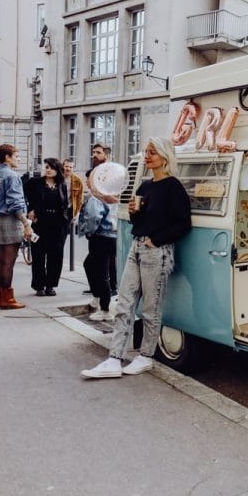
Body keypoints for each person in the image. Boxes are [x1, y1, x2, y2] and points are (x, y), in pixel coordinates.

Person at [82, 137, 192, 378]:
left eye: (152, 152)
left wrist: (157, 240)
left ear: (165, 156)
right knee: (124, 303)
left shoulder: (173, 186)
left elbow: (183, 223)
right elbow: (140, 222)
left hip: (157, 251)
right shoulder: (145, 186)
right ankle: (114, 358)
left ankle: (145, 356)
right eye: (146, 152)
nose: (147, 156)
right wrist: (134, 213)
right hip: (137, 247)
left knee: (151, 308)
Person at [0, 143, 33, 309]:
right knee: (8, 261)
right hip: (10, 219)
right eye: (16, 156)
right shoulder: (12, 175)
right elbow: (15, 203)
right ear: (7, 157)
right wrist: (26, 224)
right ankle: (7, 298)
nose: (18, 159)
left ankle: (1, 296)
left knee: (1, 261)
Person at [26, 158, 70, 296]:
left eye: (51, 167)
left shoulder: (61, 185)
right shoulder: (35, 183)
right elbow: (23, 197)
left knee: (56, 256)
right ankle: (39, 286)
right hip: (40, 222)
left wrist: (68, 218)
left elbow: (65, 204)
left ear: (58, 170)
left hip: (57, 224)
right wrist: (29, 210)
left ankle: (50, 285)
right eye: (46, 167)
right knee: (38, 255)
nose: (48, 169)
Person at [79, 168, 117, 321]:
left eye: (89, 178)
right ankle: (98, 297)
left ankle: (105, 309)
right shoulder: (112, 195)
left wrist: (88, 231)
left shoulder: (96, 197)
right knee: (91, 265)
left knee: (101, 273)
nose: (87, 181)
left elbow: (93, 217)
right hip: (111, 237)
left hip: (100, 237)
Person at [89, 143, 117, 295]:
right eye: (94, 152)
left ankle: (108, 291)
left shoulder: (110, 171)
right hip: (98, 224)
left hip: (106, 224)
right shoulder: (96, 170)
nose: (94, 155)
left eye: (98, 152)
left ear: (106, 155)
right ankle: (102, 290)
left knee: (104, 262)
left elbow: (111, 198)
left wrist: (97, 195)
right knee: (95, 263)